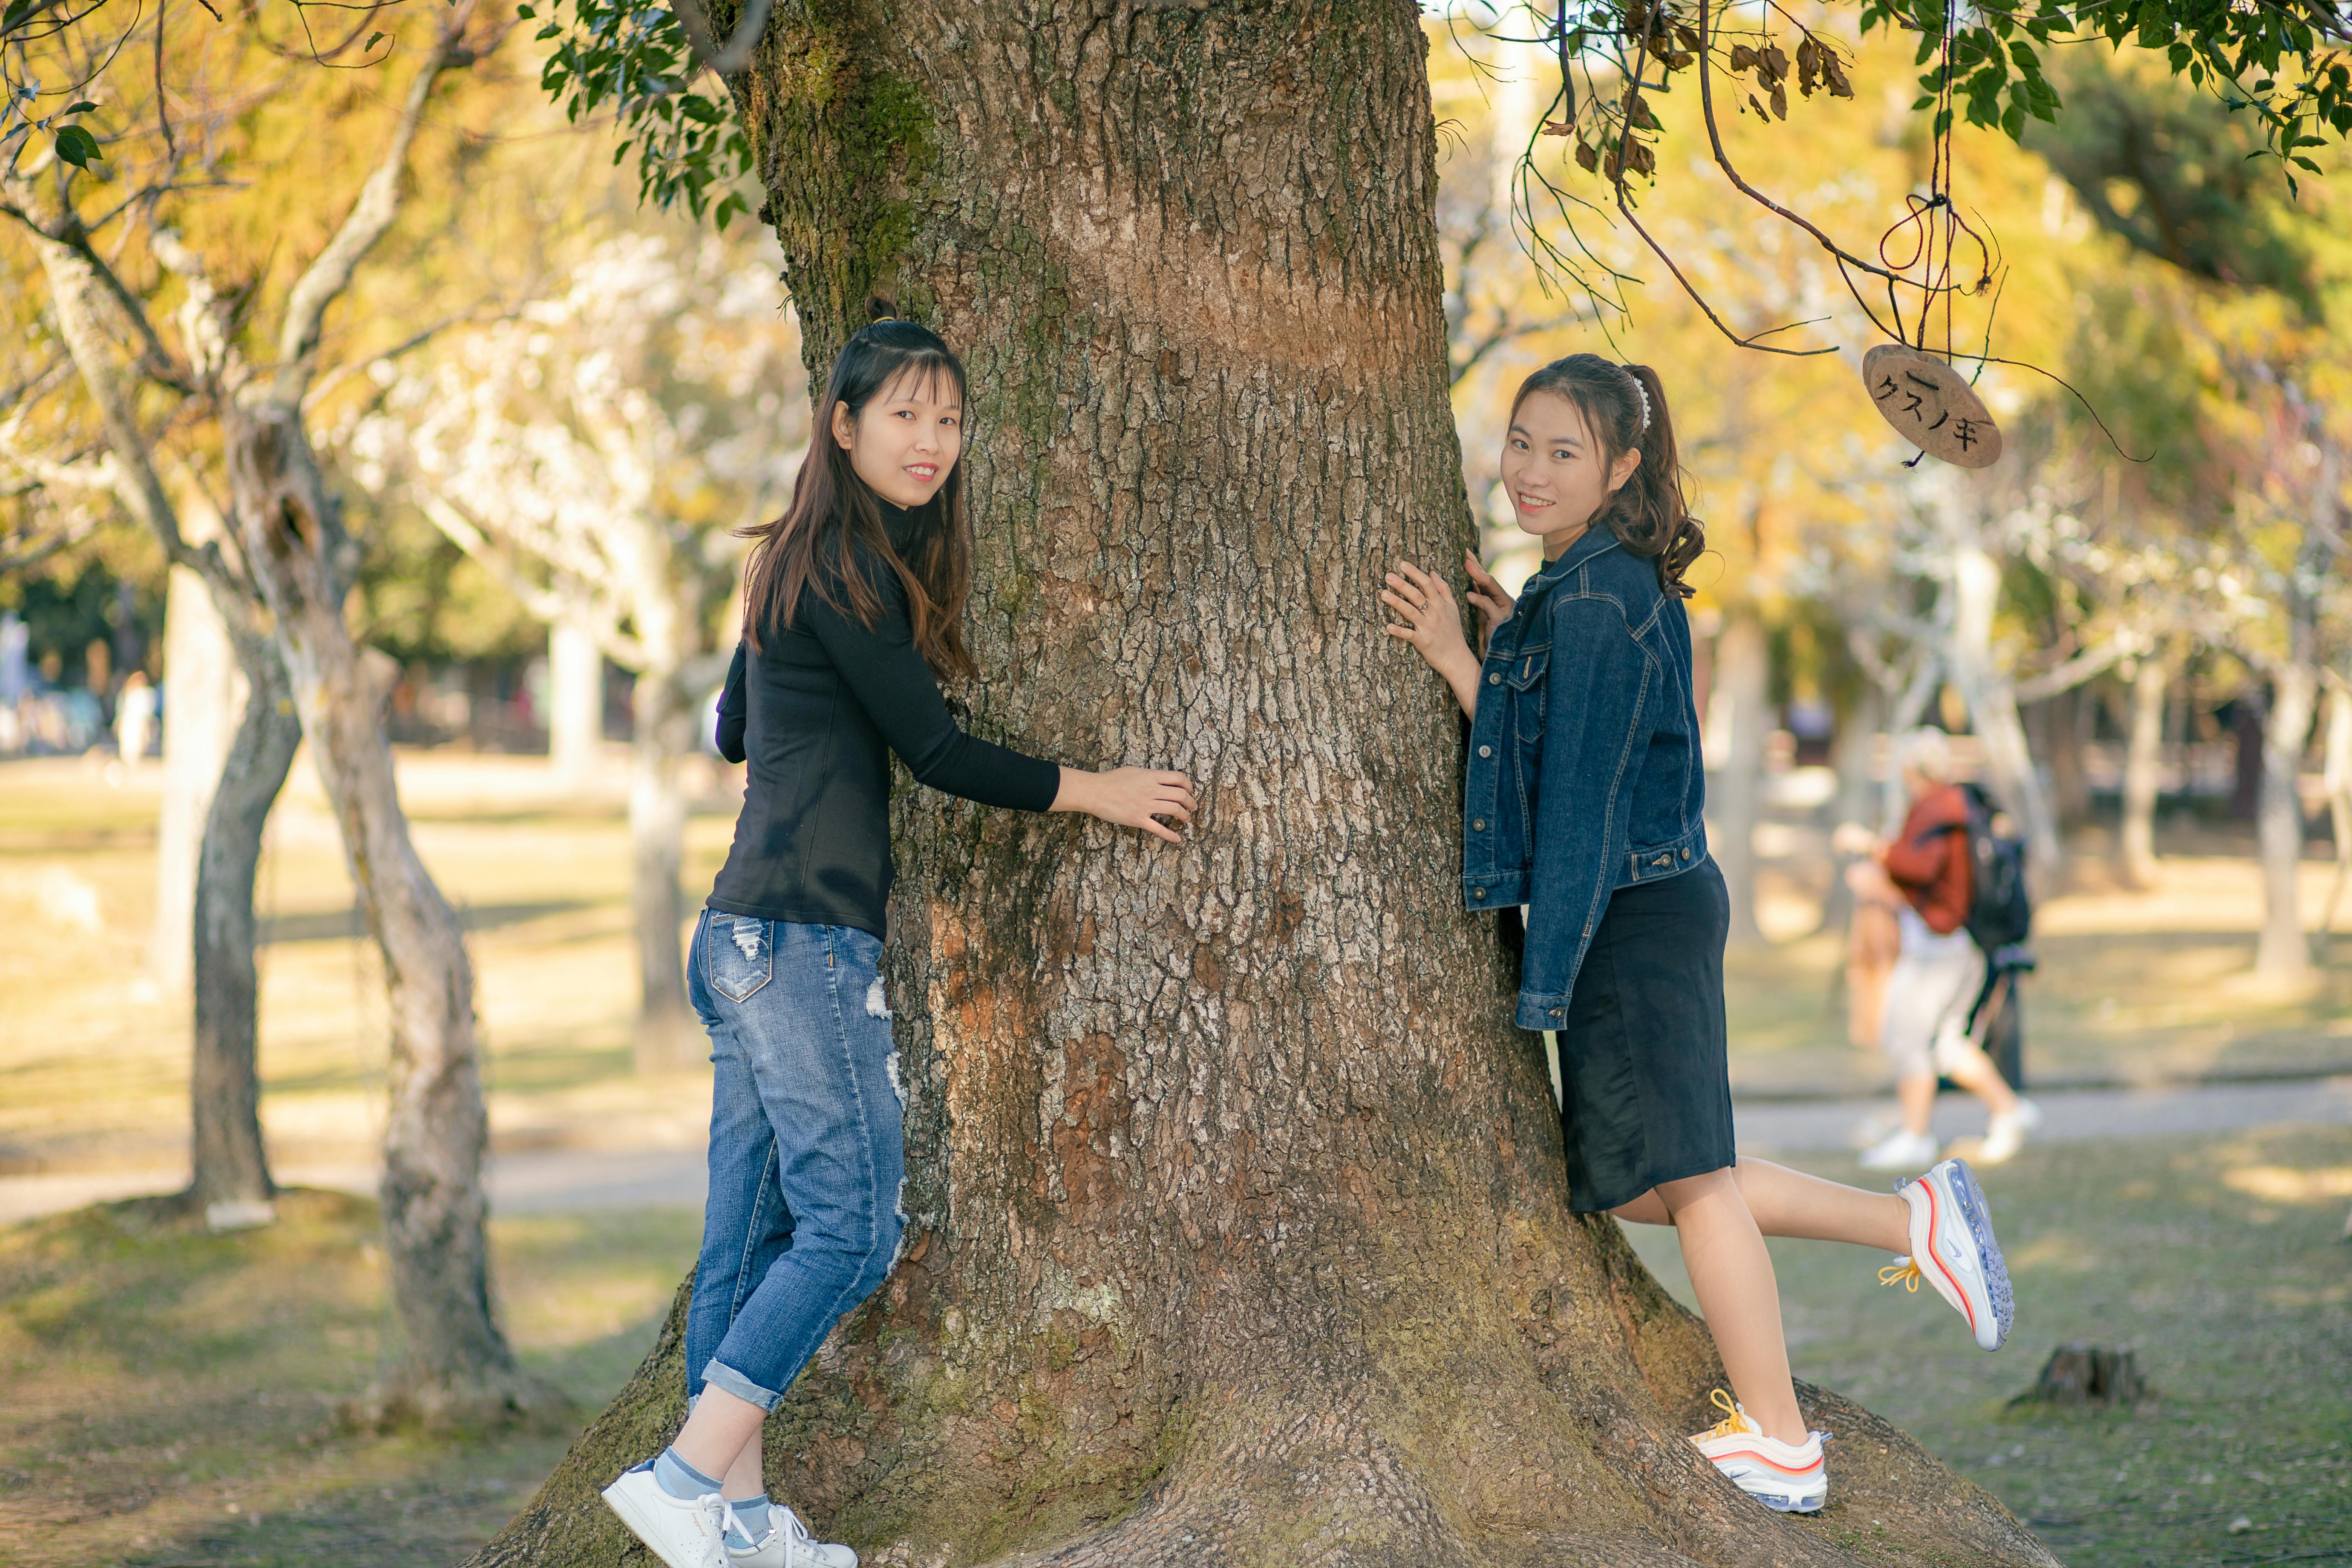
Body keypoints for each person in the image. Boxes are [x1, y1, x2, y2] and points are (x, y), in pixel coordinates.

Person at [601, 307, 1196, 1568]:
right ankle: (679, 1477)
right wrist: (1102, 789)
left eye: (950, 417)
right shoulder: (848, 571)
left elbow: (729, 733)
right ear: (845, 423)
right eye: (906, 415)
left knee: (748, 1243)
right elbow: (934, 750)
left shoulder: (793, 561)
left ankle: (740, 1525)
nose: (933, 440)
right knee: (854, 1229)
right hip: (801, 943)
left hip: (739, 940)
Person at [1378, 354, 2014, 1516]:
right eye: (1520, 441)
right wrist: (1509, 652)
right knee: (1644, 1183)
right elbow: (1572, 739)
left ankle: (1780, 1437)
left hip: (1633, 915)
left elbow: (1567, 799)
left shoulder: (1595, 600)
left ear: (1621, 468)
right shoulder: (1586, 589)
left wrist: (1461, 663)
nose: (1528, 470)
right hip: (1651, 903)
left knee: (1687, 1178)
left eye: (1563, 452)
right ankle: (1910, 1219)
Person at [1833, 730, 2041, 1168]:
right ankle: (2011, 1110)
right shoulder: (1958, 804)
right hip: (1959, 943)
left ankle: (1915, 1136)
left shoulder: (1936, 806)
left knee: (1907, 1033)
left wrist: (1872, 846)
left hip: (1940, 945)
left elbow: (1919, 866)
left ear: (1913, 769)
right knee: (1947, 1043)